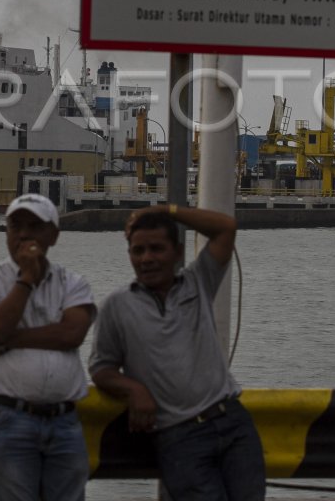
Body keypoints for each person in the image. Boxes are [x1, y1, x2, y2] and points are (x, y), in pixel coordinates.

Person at [89, 204, 265, 501]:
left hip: (232, 422)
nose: (146, 259)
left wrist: (166, 210)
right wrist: (134, 390)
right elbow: (100, 369)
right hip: (179, 437)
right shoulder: (116, 307)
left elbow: (225, 227)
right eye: (138, 250)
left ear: (178, 252)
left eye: (157, 248)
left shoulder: (198, 282)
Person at [0, 193, 96, 501]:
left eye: (34, 226)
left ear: (54, 235)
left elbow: (71, 335)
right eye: (15, 226)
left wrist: (2, 342)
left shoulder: (74, 283)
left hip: (65, 421)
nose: (23, 234)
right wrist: (26, 280)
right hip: (8, 417)